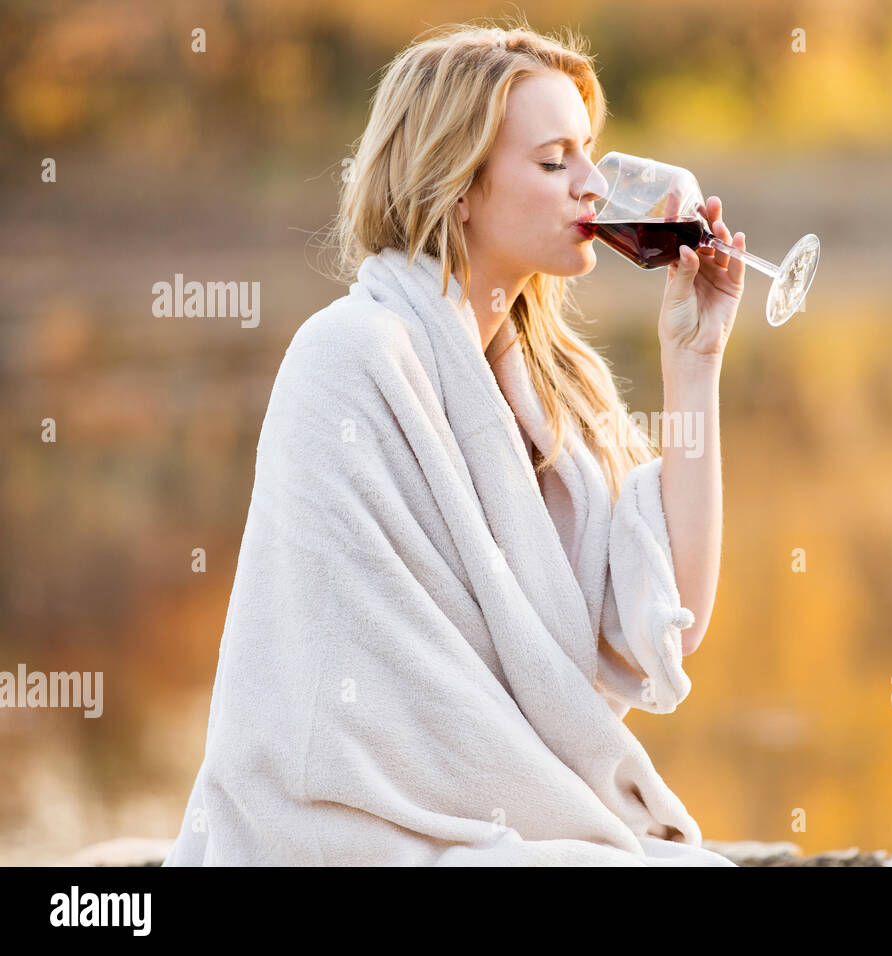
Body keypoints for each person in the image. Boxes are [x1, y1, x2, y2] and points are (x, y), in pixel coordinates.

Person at [163, 20, 744, 866]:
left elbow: (673, 616)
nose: (593, 186)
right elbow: (348, 673)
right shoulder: (350, 354)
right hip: (350, 828)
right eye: (555, 163)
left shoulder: (549, 385)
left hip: (501, 820)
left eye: (590, 154)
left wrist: (694, 360)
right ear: (459, 185)